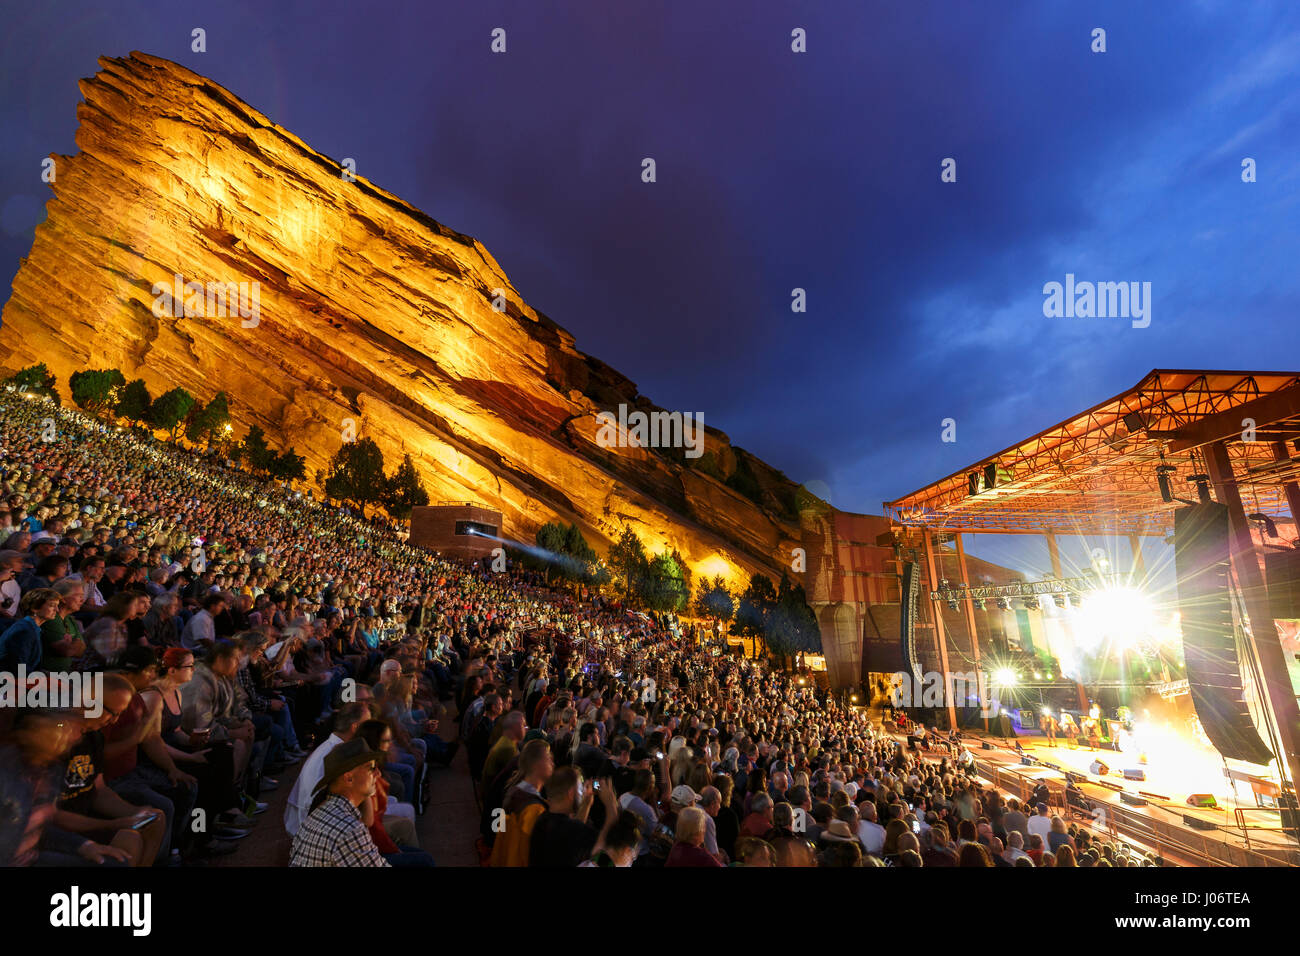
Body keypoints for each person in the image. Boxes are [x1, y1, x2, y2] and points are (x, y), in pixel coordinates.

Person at [289, 738, 390, 867]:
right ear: (348, 778)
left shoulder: (319, 812)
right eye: (371, 768)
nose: (378, 773)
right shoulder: (350, 830)